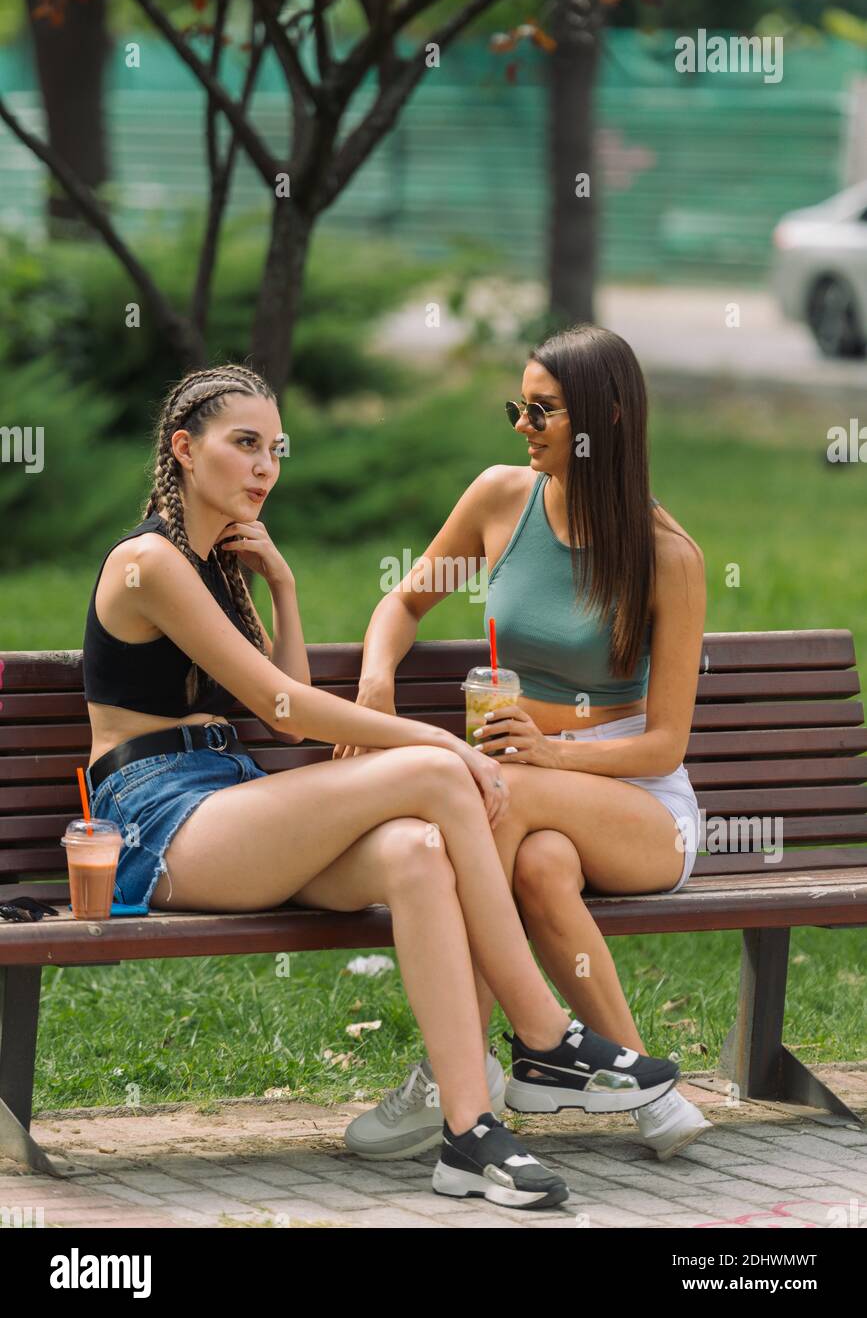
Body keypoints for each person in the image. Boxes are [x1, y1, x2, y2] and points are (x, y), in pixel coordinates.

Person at [81, 362, 680, 1211]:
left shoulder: (218, 563)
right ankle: (544, 1035)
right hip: (155, 818)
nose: (264, 467)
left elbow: (287, 721)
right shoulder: (150, 561)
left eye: (275, 449)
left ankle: (469, 1134)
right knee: (437, 772)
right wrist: (435, 740)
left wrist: (282, 585)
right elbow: (285, 704)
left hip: (225, 794)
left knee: (418, 851)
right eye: (244, 444)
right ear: (183, 448)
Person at [337, 324, 713, 1164]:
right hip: (530, 790)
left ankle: (456, 1073)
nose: (521, 425)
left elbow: (664, 743)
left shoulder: (667, 557)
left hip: (639, 804)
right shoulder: (499, 499)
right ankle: (643, 1090)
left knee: (490, 798)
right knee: (537, 866)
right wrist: (375, 680)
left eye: (542, 411)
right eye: (518, 406)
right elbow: (403, 602)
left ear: (605, 418)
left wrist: (552, 754)